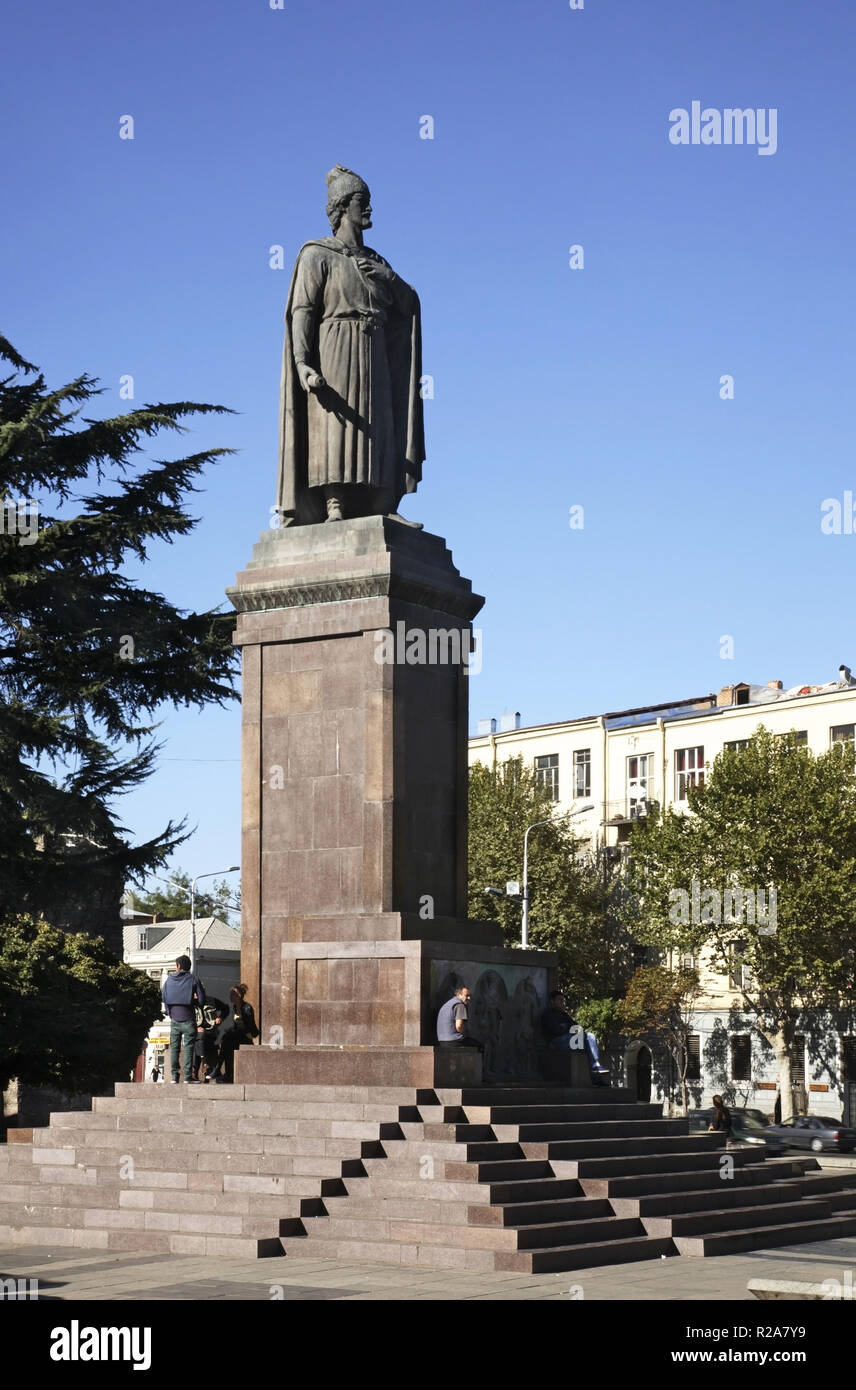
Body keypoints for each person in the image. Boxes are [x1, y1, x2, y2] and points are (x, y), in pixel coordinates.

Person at [276, 165, 424, 526]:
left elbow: (409, 306)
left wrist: (391, 280)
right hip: (335, 349)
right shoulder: (317, 254)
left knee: (381, 427)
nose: (370, 209)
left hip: (376, 354)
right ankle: (334, 505)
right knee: (336, 426)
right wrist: (301, 363)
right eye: (363, 202)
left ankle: (382, 502)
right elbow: (302, 311)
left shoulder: (377, 263)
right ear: (342, 207)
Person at [542, 990, 610, 1082]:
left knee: (590, 1037)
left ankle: (596, 1067)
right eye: (559, 1000)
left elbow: (577, 1027)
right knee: (587, 1043)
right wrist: (567, 1028)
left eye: (563, 1000)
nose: (562, 1002)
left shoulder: (564, 1015)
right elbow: (556, 1030)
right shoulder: (548, 1015)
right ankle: (596, 1077)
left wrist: (565, 1027)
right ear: (552, 1001)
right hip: (556, 1042)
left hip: (570, 1040)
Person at [161, 955, 205, 1084]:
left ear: (178, 966)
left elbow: (164, 998)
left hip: (174, 1020)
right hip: (189, 1019)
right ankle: (187, 1077)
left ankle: (174, 1077)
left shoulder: (168, 980)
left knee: (174, 1048)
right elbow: (202, 1000)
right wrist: (195, 1000)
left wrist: (171, 1013)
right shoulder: (193, 979)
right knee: (189, 1047)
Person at [208, 984, 259, 1084]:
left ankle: (220, 1069)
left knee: (226, 1040)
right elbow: (237, 1025)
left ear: (239, 996)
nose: (230, 996)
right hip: (237, 1037)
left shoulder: (247, 1008)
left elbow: (249, 1026)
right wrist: (231, 1029)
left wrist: (234, 1031)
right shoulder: (235, 1007)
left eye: (232, 994)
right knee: (227, 1044)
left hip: (246, 1037)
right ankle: (227, 1074)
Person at [436, 985, 483, 1051]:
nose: (469, 998)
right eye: (466, 995)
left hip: (441, 1041)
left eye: (469, 995)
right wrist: (465, 1034)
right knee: (480, 1046)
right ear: (459, 995)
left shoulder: (447, 1004)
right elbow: (459, 1026)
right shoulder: (460, 1005)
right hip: (454, 1041)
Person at [193, 995, 228, 1082]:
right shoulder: (189, 1003)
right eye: (194, 993)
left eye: (199, 992)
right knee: (199, 1037)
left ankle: (195, 1072)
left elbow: (226, 1008)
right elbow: (186, 1019)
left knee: (198, 1042)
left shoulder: (212, 1001)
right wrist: (195, 1028)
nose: (196, 995)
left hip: (211, 1031)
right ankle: (205, 1064)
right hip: (197, 1032)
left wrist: (220, 1018)